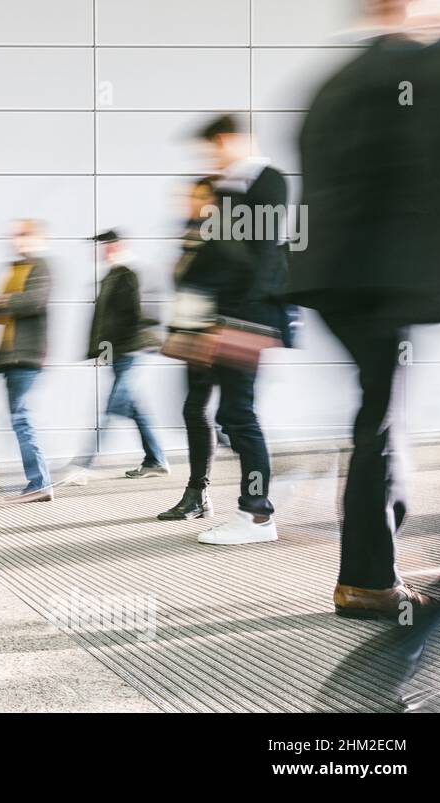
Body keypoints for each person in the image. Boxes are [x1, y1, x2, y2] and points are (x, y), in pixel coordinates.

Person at [287, 0, 440, 618]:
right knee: (379, 418)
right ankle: (366, 577)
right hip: (386, 276)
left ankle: (371, 565)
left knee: (379, 411)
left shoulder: (331, 82)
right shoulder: (418, 66)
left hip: (335, 281)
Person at [157, 117, 288, 546]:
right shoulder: (233, 186)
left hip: (243, 319)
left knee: (239, 416)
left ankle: (257, 515)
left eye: (213, 149)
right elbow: (216, 256)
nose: (210, 159)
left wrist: (235, 322)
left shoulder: (264, 181)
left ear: (230, 141)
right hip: (228, 320)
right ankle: (253, 508)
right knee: (231, 414)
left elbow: (262, 256)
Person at [58, 228, 166, 486]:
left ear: (119, 245)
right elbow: (105, 321)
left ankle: (82, 465)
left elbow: (143, 316)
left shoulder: (132, 273)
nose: (102, 250)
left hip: (130, 351)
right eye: (100, 246)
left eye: (106, 245)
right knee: (132, 407)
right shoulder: (111, 276)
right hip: (117, 353)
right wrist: (99, 350)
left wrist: (128, 346)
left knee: (111, 406)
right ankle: (156, 461)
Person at [0, 219, 53, 503]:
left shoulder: (41, 267)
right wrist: (3, 302)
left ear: (38, 238)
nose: (18, 240)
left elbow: (34, 302)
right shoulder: (14, 269)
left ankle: (39, 483)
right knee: (19, 418)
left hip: (26, 356)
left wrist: (6, 300)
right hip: (9, 358)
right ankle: (38, 482)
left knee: (21, 418)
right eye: (15, 235)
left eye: (24, 235)